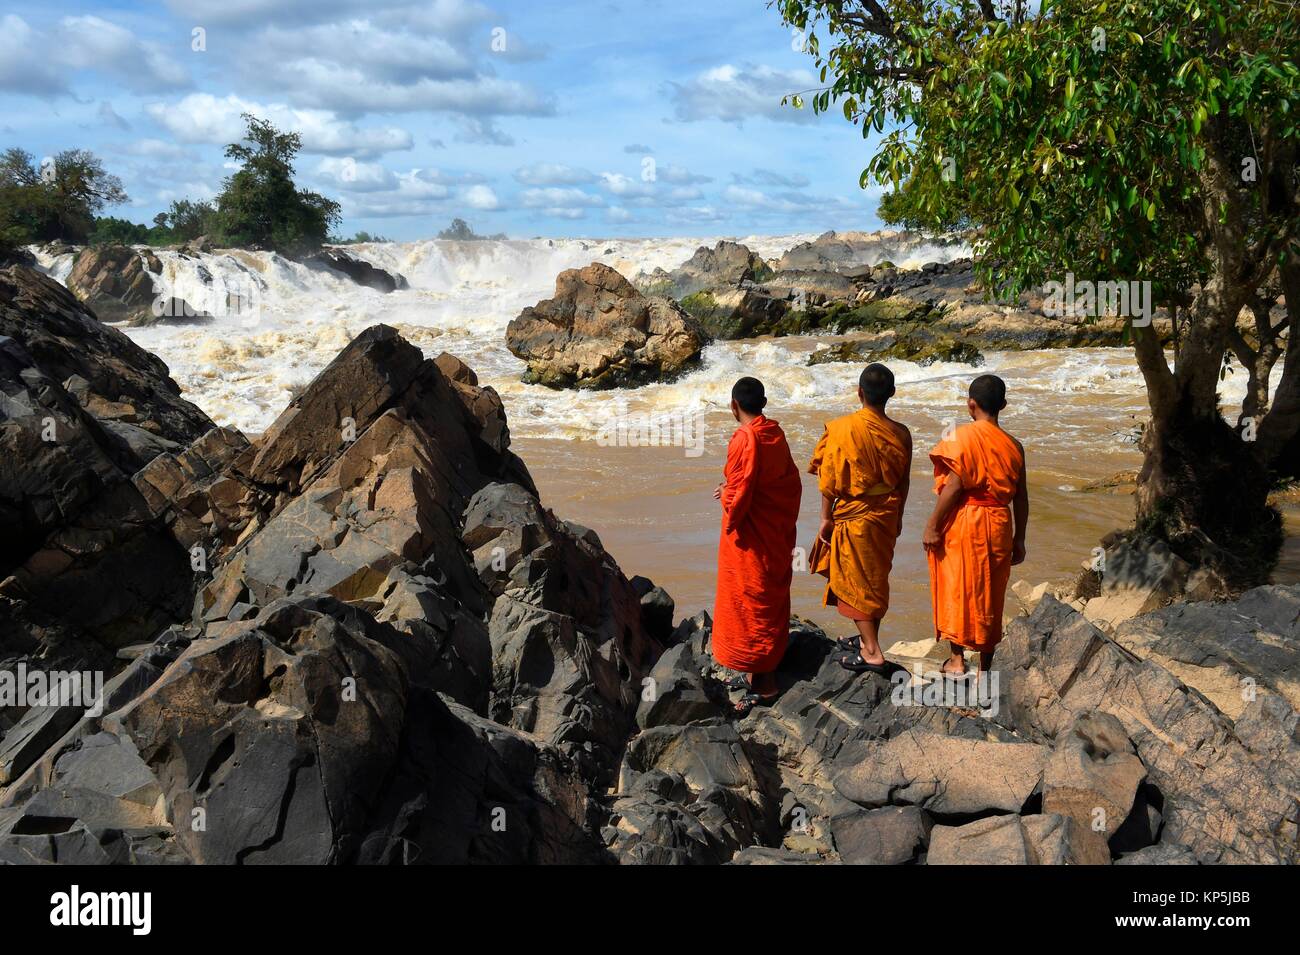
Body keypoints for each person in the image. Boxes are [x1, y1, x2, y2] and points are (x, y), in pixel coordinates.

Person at [808, 363, 912, 675]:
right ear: (891, 394)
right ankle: (869, 637)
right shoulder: (901, 433)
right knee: (874, 579)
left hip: (854, 513)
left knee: (856, 580)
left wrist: (825, 518)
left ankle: (872, 651)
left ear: (859, 392)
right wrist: (900, 514)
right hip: (886, 511)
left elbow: (829, 480)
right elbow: (903, 481)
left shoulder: (842, 429)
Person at [922, 373, 1028, 677]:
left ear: (971, 405)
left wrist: (932, 525)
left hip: (966, 520)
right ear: (1003, 405)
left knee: (957, 586)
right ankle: (985, 667)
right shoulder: (1014, 445)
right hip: (999, 523)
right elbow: (1020, 498)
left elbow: (953, 487)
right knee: (992, 592)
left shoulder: (960, 436)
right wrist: (1020, 538)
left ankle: (956, 660)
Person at [712, 376, 803, 714]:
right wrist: (732, 491)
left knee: (751, 599)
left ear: (734, 406)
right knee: (766, 598)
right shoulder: (774, 433)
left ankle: (765, 685)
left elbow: (740, 495)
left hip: (750, 538)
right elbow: (788, 483)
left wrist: (727, 497)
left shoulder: (745, 439)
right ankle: (755, 673)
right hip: (773, 531)